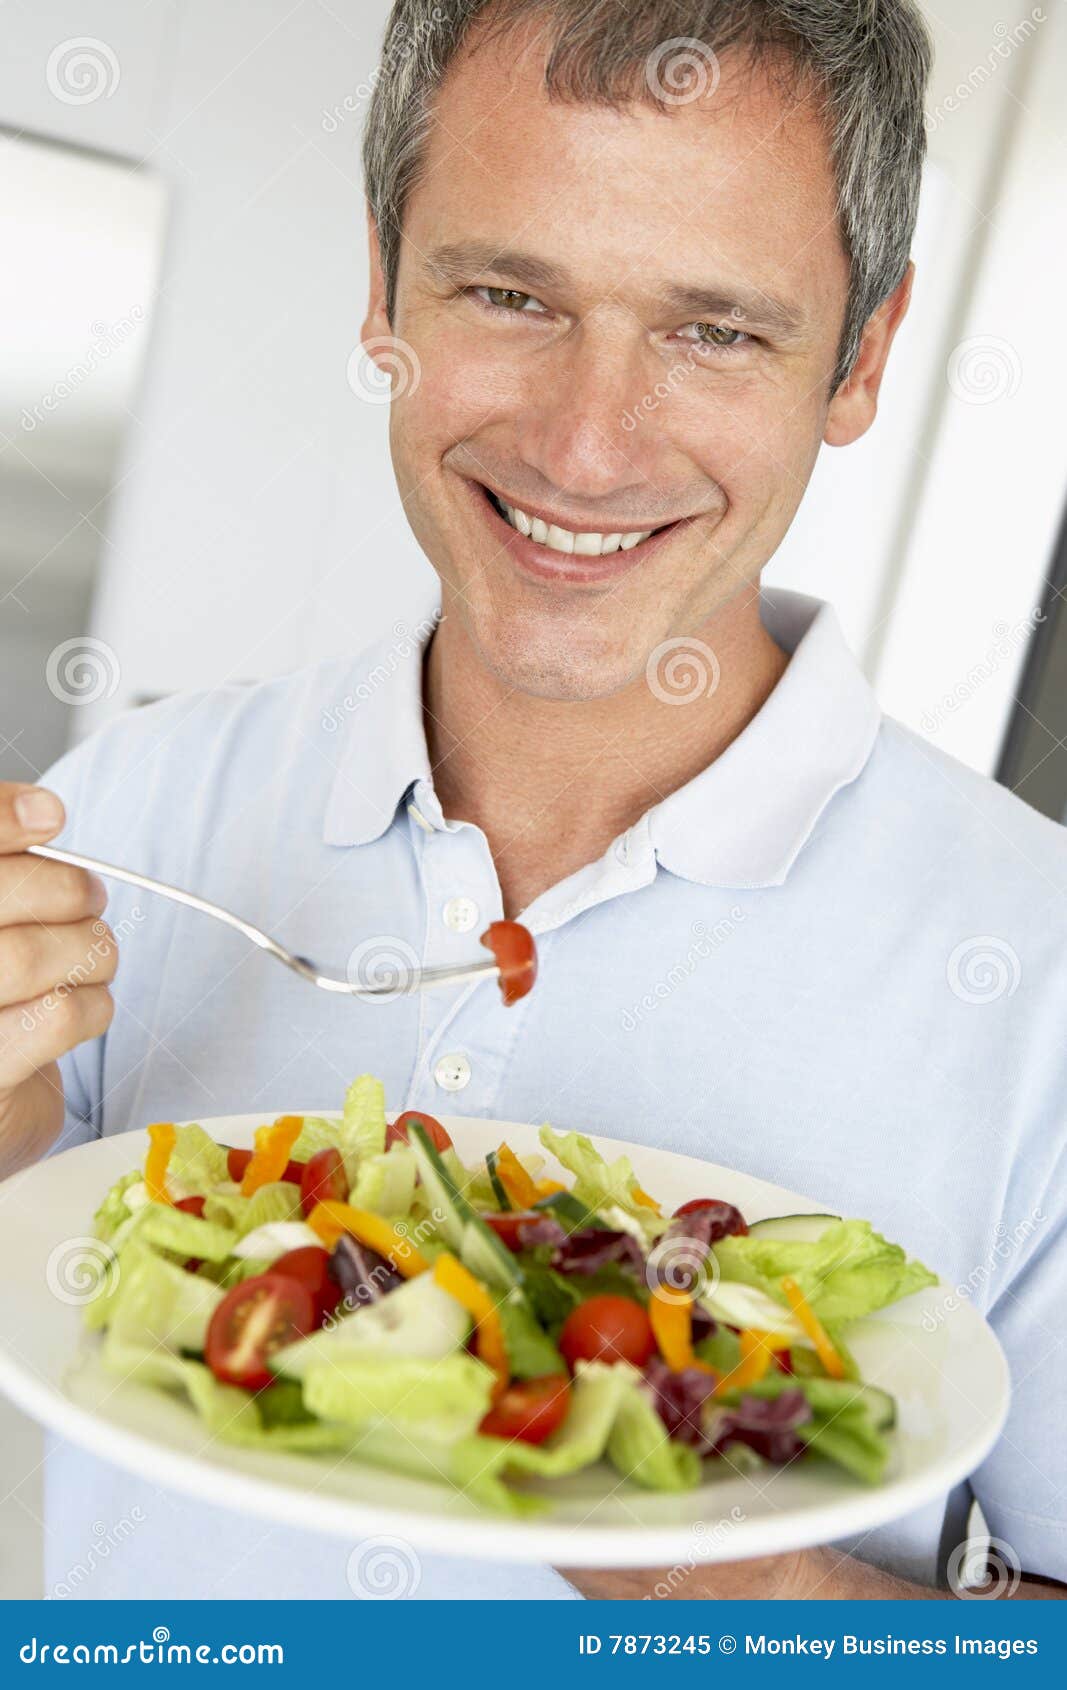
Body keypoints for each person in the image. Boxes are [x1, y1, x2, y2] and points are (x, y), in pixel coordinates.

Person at [1, 0, 1064, 1602]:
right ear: (382, 285)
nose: (583, 443)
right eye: (509, 292)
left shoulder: (1041, 972)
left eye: (715, 330)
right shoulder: (131, 813)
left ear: (864, 357)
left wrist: (765, 1599)